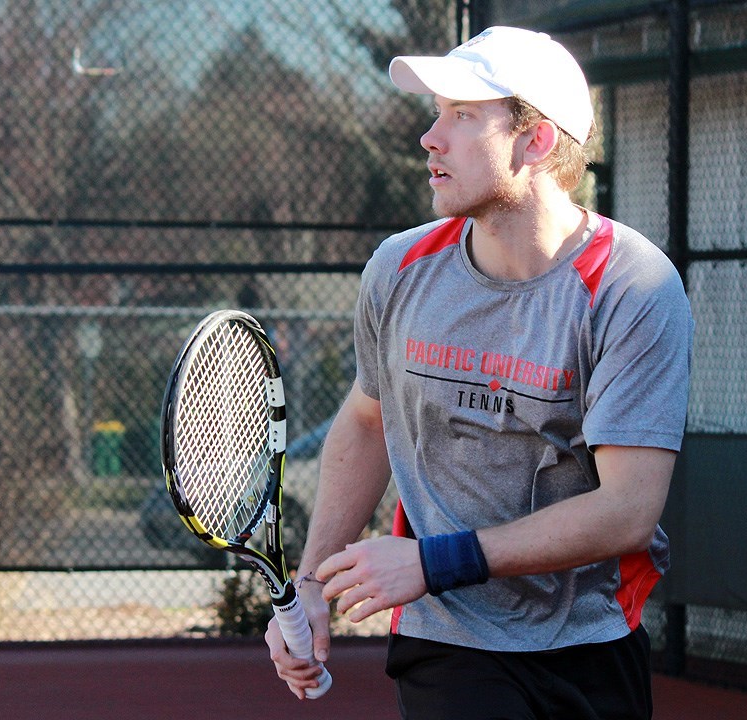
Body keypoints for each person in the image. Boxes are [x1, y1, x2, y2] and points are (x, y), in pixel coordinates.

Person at [264, 26, 694, 719]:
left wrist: (434, 561)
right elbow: (368, 421)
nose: (431, 138)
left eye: (462, 116)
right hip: (449, 640)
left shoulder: (633, 288)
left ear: (537, 141)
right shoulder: (399, 271)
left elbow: (628, 510)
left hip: (593, 640)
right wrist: (312, 581)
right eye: (436, 114)